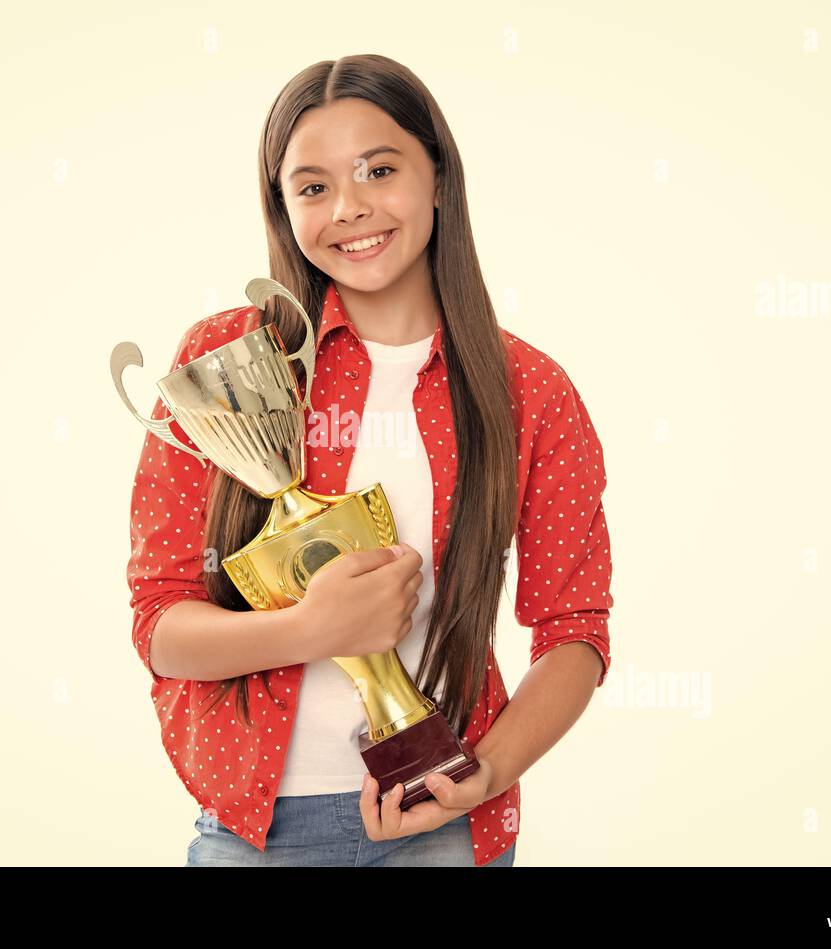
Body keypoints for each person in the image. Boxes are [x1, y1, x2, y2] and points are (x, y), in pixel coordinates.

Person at [126, 54, 614, 867]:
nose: (349, 209)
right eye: (313, 186)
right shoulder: (230, 360)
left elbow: (574, 630)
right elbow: (161, 624)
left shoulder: (529, 389)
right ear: (283, 208)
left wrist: (486, 774)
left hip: (443, 826)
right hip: (254, 833)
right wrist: (310, 628)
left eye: (378, 170)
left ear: (438, 178)